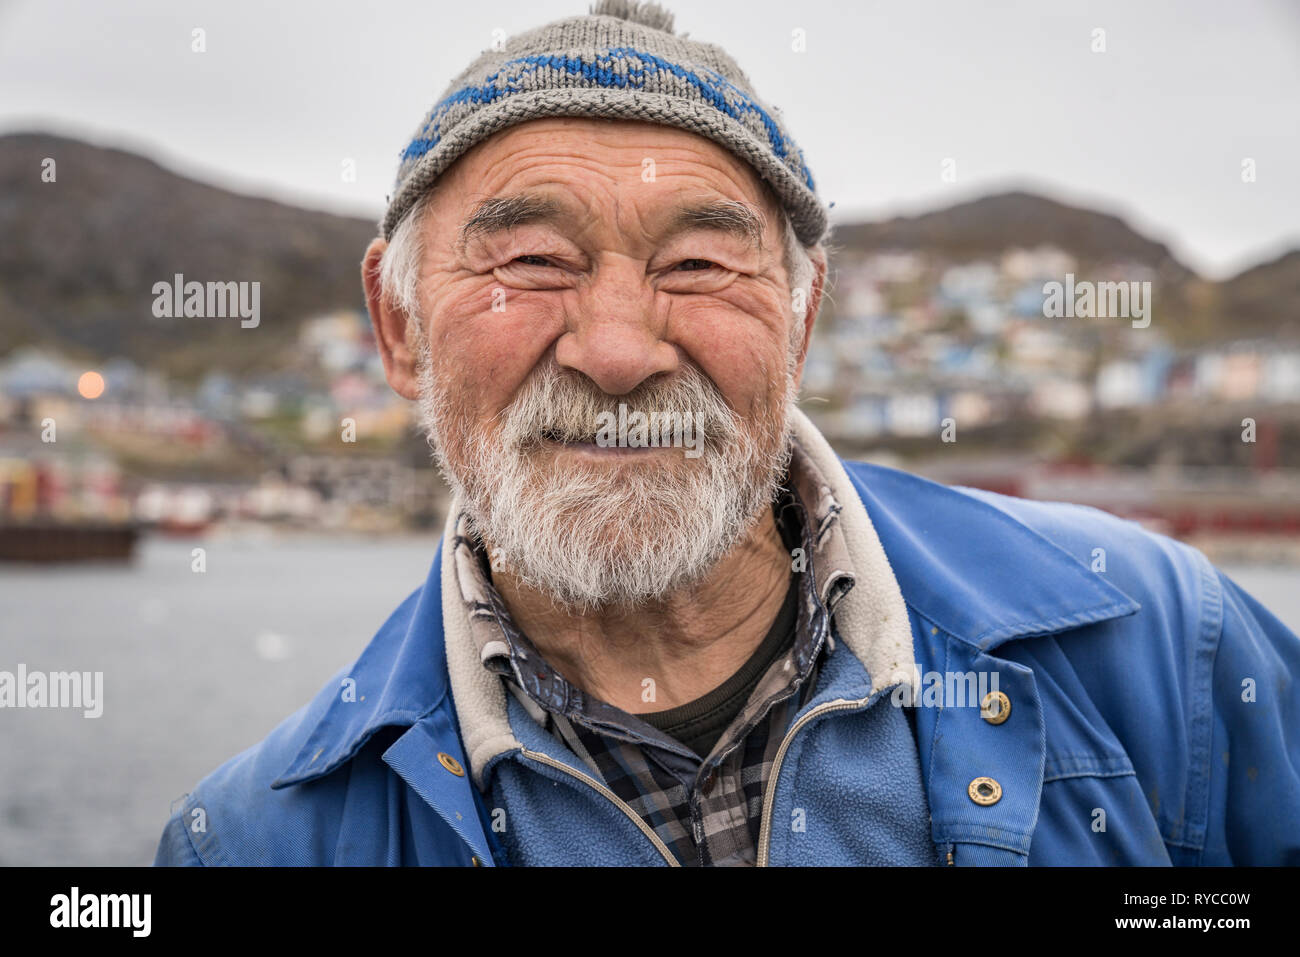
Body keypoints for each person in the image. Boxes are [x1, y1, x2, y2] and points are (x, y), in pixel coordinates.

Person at [154, 0, 1300, 867]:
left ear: (799, 322)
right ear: (397, 326)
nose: (616, 348)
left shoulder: (1160, 647)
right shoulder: (256, 841)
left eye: (697, 266)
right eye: (532, 263)